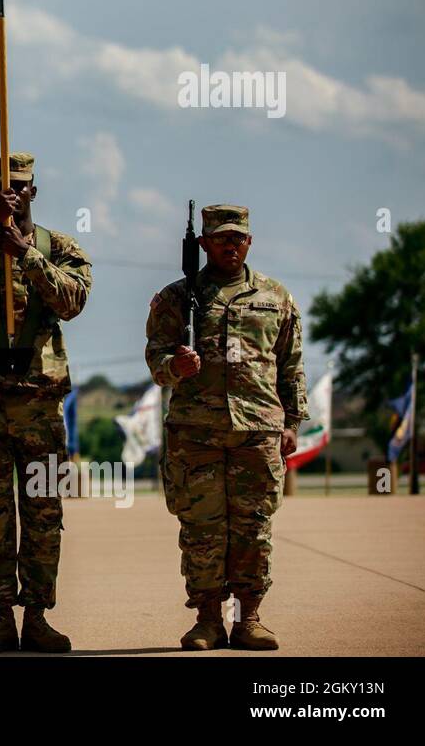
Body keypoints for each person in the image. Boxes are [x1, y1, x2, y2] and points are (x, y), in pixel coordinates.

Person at [0, 153, 91, 655]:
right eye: (3, 187)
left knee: (44, 512)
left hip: (39, 401)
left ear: (34, 190)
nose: (13, 194)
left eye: (22, 187)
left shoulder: (59, 248)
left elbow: (72, 300)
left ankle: (38, 616)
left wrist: (26, 254)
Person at [146, 204, 306, 651]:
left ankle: (250, 618)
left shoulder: (276, 297)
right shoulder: (176, 297)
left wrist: (292, 422)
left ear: (250, 241)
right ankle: (207, 620)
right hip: (195, 434)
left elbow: (291, 366)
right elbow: (155, 361)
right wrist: (174, 366)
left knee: (254, 528)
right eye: (221, 238)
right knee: (202, 530)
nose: (230, 245)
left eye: (238, 237)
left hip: (257, 431)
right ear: (203, 244)